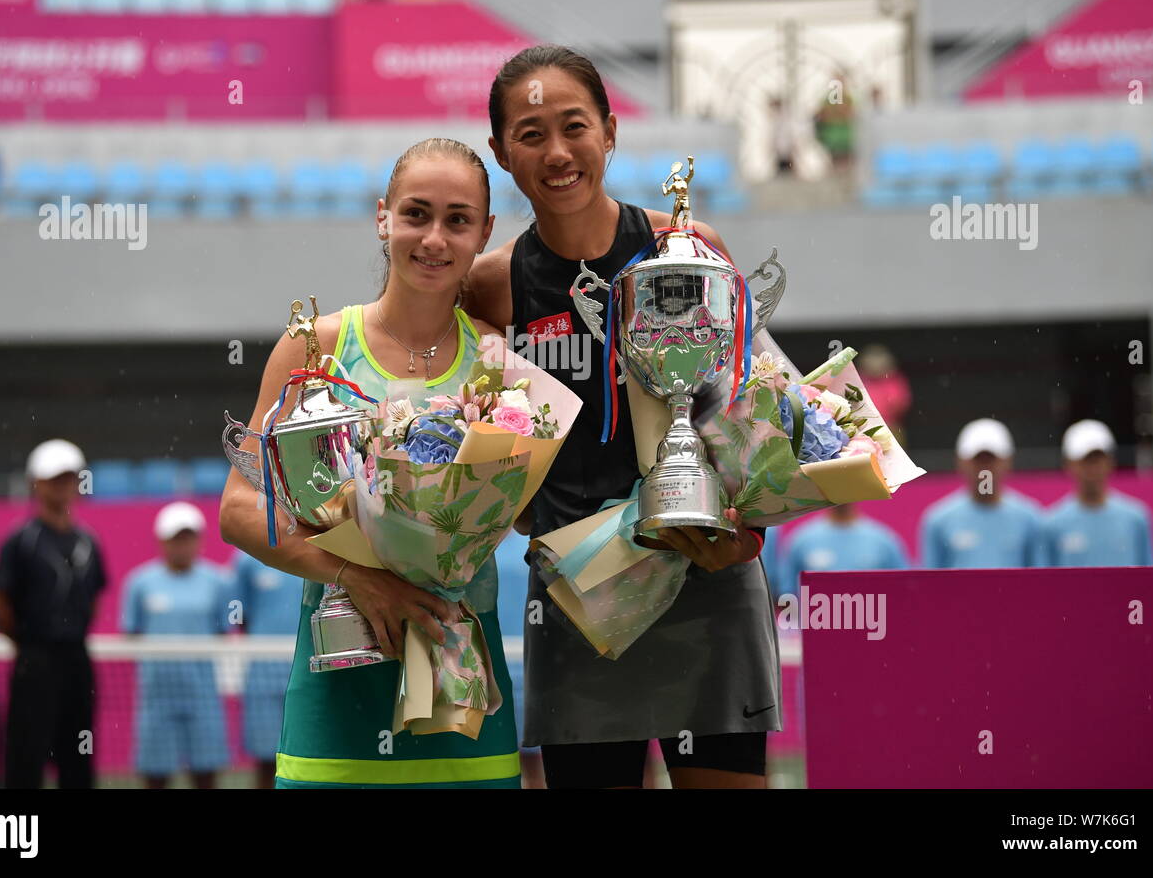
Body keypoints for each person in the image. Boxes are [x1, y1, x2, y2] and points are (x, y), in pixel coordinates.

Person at [465, 45, 776, 789]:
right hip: (579, 599)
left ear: (610, 130)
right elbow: (477, 429)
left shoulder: (691, 251)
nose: (558, 151)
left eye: (575, 126)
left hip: (705, 578)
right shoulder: (491, 287)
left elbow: (760, 406)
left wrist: (753, 531)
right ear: (501, 152)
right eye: (531, 133)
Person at [220, 137, 521, 788]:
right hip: (340, 674)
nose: (434, 239)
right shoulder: (313, 346)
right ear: (382, 216)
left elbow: (516, 514)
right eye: (416, 214)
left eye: (458, 220)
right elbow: (242, 508)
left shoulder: (500, 360)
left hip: (461, 678)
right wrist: (353, 574)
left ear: (485, 232)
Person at [0, 439, 107, 789]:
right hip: (34, 662)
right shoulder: (20, 541)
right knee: (26, 760)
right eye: (54, 478)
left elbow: (94, 599)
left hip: (76, 661)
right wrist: (29, 640)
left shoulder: (89, 541)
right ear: (35, 484)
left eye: (69, 478)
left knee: (78, 763)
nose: (63, 486)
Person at [121, 501, 230, 789]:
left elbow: (224, 632)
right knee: (155, 779)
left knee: (205, 777)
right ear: (162, 541)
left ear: (199, 540)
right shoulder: (139, 583)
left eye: (188, 537)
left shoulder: (217, 582)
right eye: (175, 538)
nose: (182, 545)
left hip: (202, 696)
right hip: (156, 697)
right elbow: (130, 634)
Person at [920, 418, 1044, 569]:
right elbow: (930, 583)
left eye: (991, 460)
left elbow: (1039, 579)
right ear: (961, 462)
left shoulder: (1029, 518)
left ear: (1008, 461)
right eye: (978, 460)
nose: (984, 468)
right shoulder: (938, 520)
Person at [230, 549, 304, 789]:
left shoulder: (317, 550)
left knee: (307, 756)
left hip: (306, 669)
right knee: (265, 759)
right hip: (263, 672)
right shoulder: (244, 561)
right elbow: (240, 615)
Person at [1037, 420, 1153, 568]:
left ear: (1111, 462)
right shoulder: (1051, 524)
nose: (1092, 467)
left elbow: (1149, 577)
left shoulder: (1136, 518)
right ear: (1067, 464)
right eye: (1085, 460)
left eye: (1098, 459)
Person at [778, 503, 907, 603]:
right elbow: (787, 596)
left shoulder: (884, 541)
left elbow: (903, 593)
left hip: (874, 630)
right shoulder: (801, 540)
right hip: (816, 630)